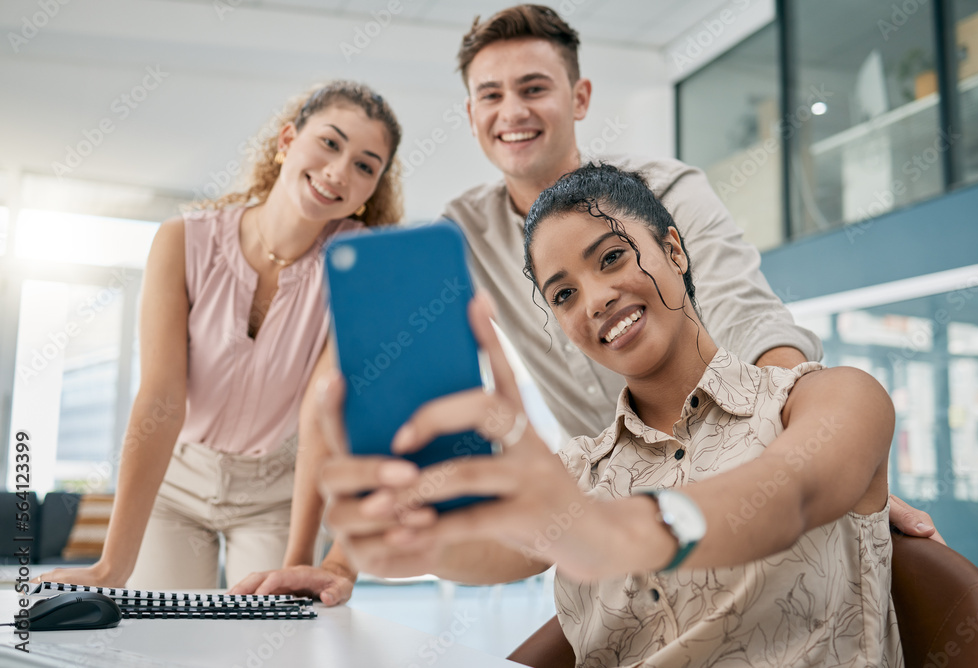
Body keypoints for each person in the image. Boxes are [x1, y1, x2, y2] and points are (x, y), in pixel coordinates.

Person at [233, 3, 941, 601]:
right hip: (617, 487)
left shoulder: (667, 194)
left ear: (578, 99)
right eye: (560, 291)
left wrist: (808, 443)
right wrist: (343, 558)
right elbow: (358, 383)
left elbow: (750, 318)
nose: (512, 111)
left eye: (534, 88)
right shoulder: (464, 237)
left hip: (724, 471)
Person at [318, 163, 903, 667]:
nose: (594, 299)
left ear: (674, 251)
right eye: (563, 295)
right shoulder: (577, 473)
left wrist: (612, 533)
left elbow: (792, 493)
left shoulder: (828, 398)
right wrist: (389, 542)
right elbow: (477, 549)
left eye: (612, 257)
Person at [36, 81, 403, 591]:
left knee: (270, 635)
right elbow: (162, 400)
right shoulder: (183, 239)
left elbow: (322, 412)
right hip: (177, 482)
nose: (340, 171)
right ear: (286, 141)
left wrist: (300, 559)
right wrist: (109, 566)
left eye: (366, 165)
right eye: (330, 142)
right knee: (163, 638)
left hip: (277, 491)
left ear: (371, 191)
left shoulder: (360, 268)